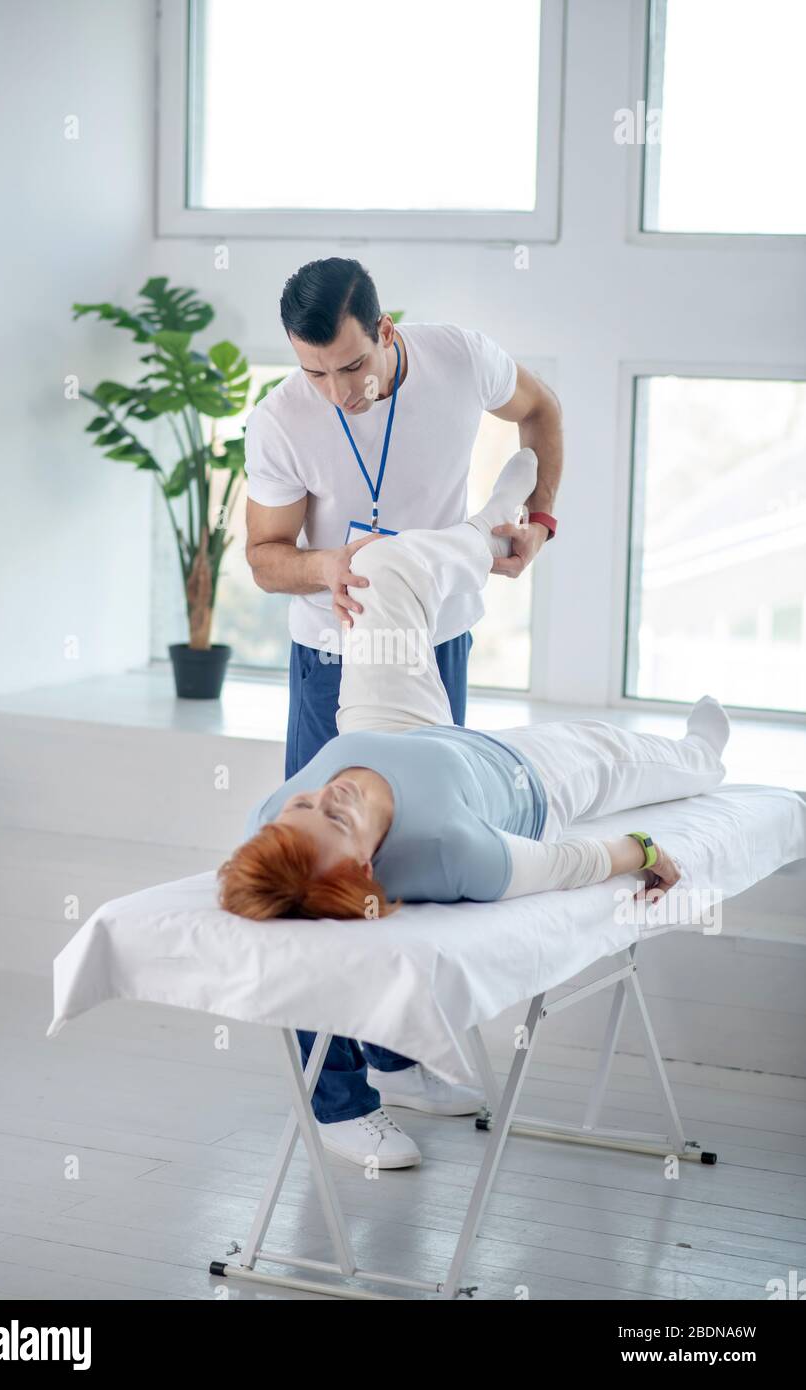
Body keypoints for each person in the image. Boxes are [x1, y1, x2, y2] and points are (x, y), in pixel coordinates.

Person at [220, 448, 731, 1169]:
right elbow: (563, 863)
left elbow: (280, 849)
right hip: (525, 780)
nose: (325, 793)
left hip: (389, 725)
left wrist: (304, 819)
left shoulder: (273, 825)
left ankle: (489, 529)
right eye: (333, 816)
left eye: (304, 801)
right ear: (367, 862)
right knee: (627, 755)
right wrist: (640, 852)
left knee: (380, 570)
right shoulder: (459, 850)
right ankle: (704, 756)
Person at [241, 256, 564, 1152]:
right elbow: (266, 555)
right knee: (323, 872)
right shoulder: (281, 419)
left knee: (415, 849)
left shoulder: (460, 359)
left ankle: (393, 1056)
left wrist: (540, 517)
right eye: (313, 373)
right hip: (331, 657)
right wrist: (326, 566)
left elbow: (542, 411)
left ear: (386, 331)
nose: (336, 391)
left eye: (350, 366)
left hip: (438, 637)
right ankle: (336, 1101)